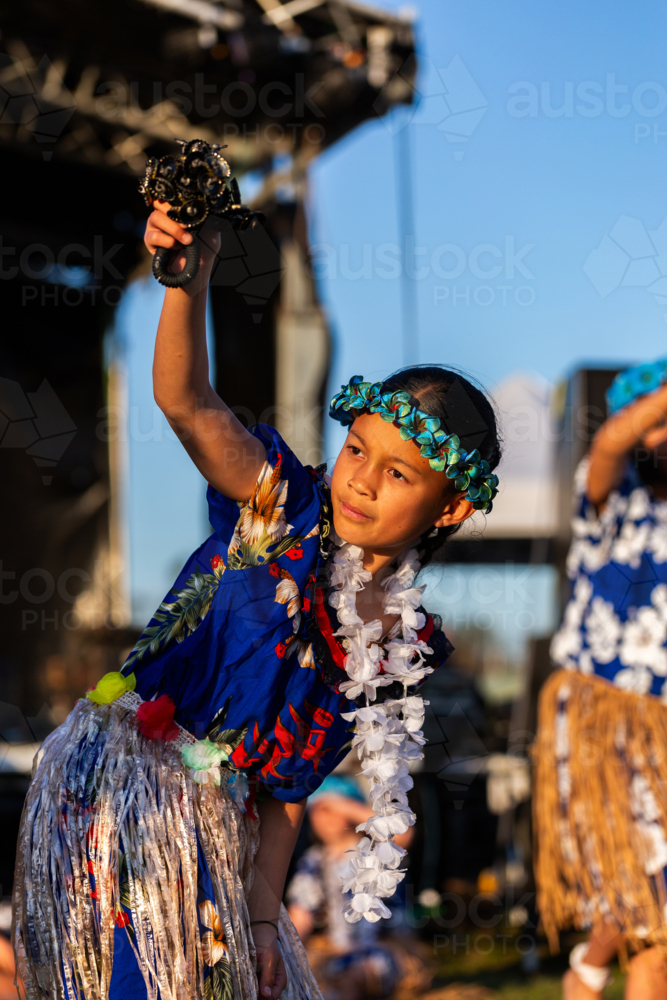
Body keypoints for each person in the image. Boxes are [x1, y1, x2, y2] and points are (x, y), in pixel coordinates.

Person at [13, 201, 501, 1000]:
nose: (361, 482)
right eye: (356, 451)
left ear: (448, 509)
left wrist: (265, 924)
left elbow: (283, 794)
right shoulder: (278, 503)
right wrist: (185, 279)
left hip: (224, 833)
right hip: (126, 787)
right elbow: (187, 402)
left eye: (399, 474)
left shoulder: (395, 649)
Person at [534, 359, 667, 999]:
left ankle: (587, 969)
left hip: (663, 725)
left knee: (657, 930)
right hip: (602, 717)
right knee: (644, 902)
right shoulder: (611, 502)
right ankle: (586, 969)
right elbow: (610, 442)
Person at [287, 774, 431, 1000]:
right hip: (337, 952)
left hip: (389, 949)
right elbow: (300, 917)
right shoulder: (314, 862)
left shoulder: (377, 852)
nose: (325, 818)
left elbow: (403, 834)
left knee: (355, 975)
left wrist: (343, 805)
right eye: (317, 810)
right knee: (313, 979)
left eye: (332, 810)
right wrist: (286, 954)